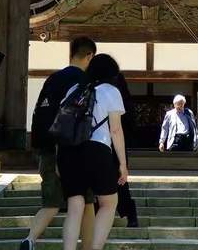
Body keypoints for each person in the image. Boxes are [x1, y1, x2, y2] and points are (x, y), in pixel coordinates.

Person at [19, 37, 97, 250]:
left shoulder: (52, 79)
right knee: (87, 202)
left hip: (47, 149)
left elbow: (40, 115)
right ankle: (88, 247)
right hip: (75, 151)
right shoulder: (85, 81)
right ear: (89, 56)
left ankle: (30, 239)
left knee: (51, 203)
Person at [57, 53, 129, 250]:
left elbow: (61, 125)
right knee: (108, 202)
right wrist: (123, 164)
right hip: (97, 149)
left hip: (68, 151)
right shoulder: (111, 91)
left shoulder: (74, 89)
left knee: (75, 206)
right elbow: (115, 130)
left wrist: (57, 160)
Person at [111, 72, 139, 227]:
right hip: (119, 143)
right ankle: (130, 214)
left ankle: (128, 212)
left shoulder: (106, 94)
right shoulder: (123, 98)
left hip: (107, 142)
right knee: (120, 182)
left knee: (116, 182)